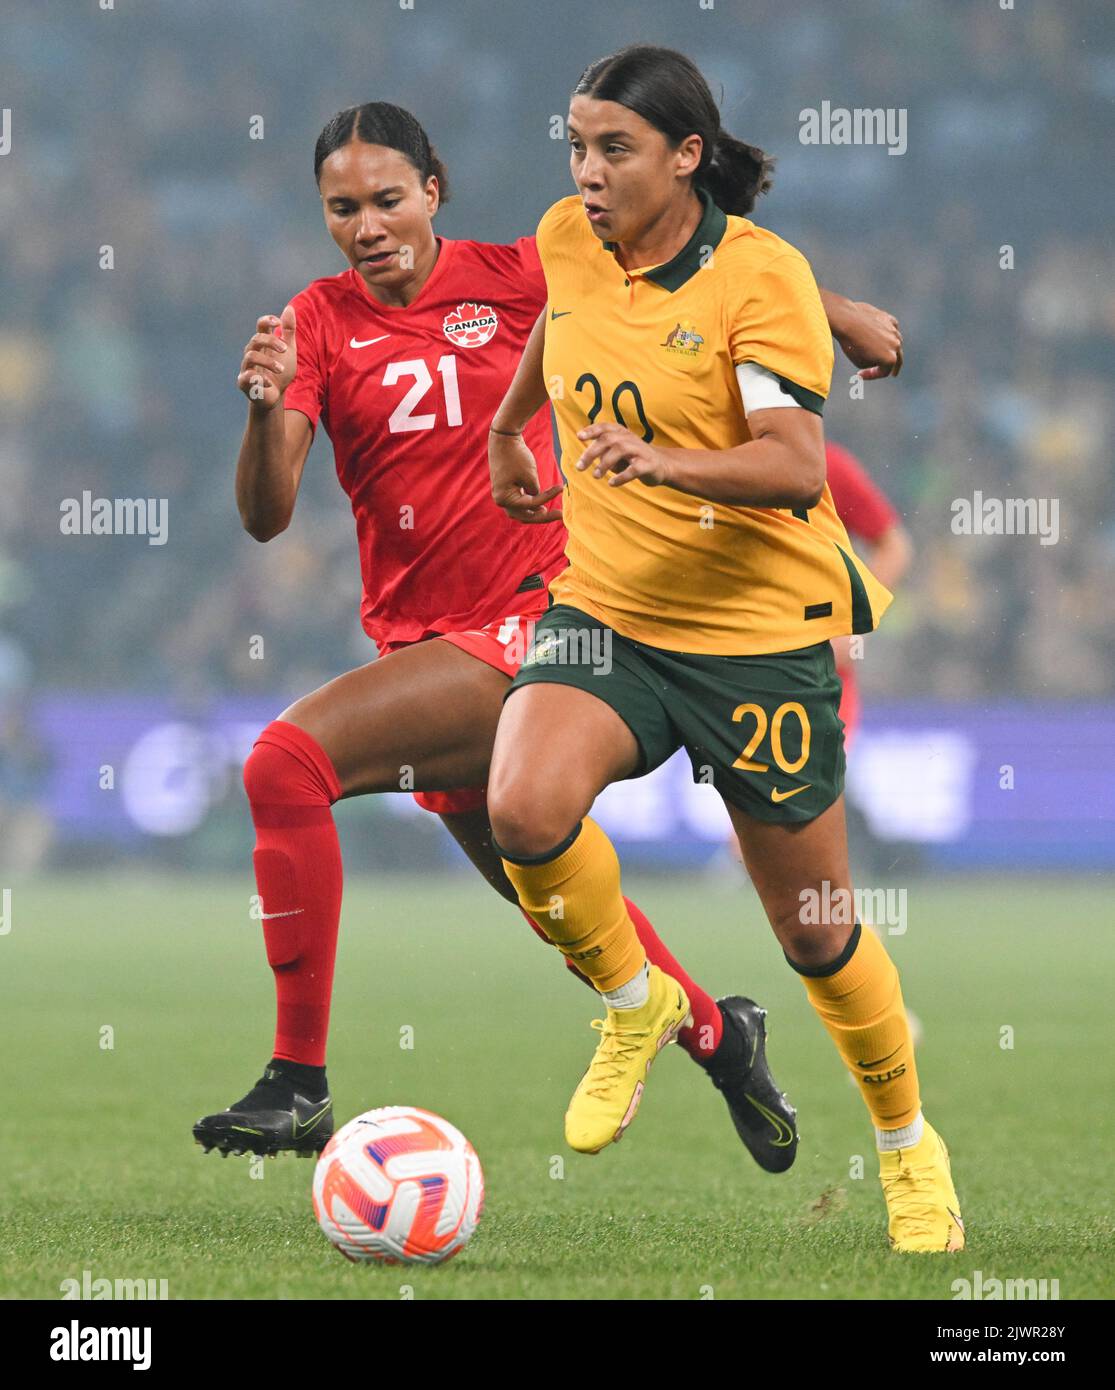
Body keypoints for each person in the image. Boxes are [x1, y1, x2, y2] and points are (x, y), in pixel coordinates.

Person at [192, 100, 900, 1175]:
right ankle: (719, 1036)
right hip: (421, 642)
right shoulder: (318, 323)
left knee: (285, 764)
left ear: (434, 189)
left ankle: (298, 1079)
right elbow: (263, 514)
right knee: (563, 910)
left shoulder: (525, 268)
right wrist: (260, 406)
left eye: (387, 199)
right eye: (343, 208)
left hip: (550, 611)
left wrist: (834, 310)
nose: (367, 224)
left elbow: (705, 266)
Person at [486, 45, 962, 1253]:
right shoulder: (567, 235)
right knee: (522, 808)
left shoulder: (758, 279)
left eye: (614, 150)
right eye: (576, 146)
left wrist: (662, 461)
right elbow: (560, 315)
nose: (584, 174)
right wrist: (506, 428)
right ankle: (635, 1003)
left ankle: (908, 1144)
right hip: (607, 614)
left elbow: (795, 465)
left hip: (755, 642)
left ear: (686, 156)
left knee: (812, 928)